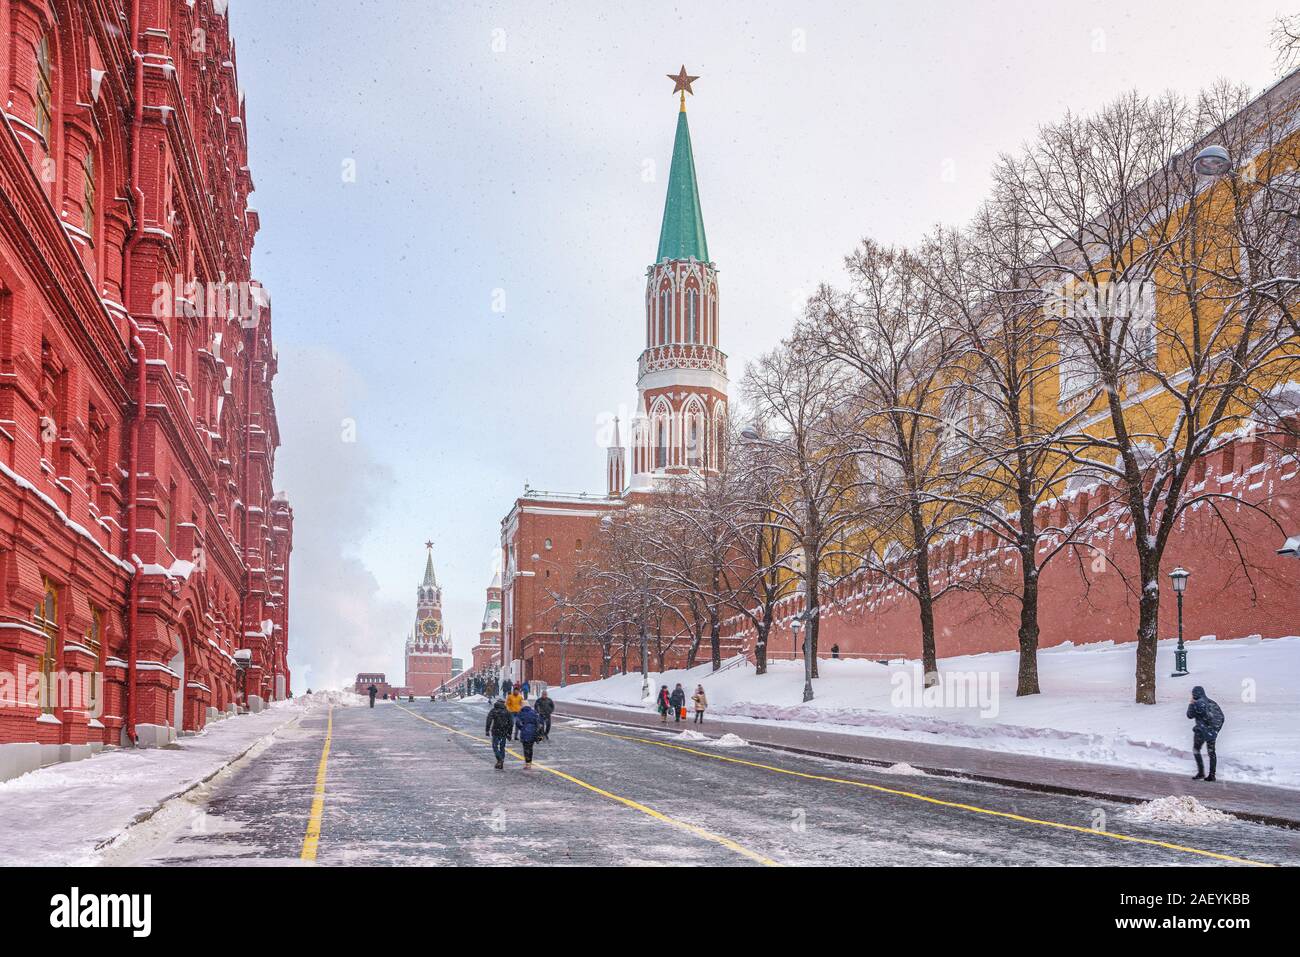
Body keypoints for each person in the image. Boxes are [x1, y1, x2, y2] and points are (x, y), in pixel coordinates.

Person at [1187, 685, 1225, 782]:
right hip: (1212, 732)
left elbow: (1189, 715)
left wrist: (1191, 704)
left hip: (1201, 731)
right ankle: (1212, 775)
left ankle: (1201, 772)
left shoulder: (1197, 703)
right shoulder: (1211, 703)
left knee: (1196, 749)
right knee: (1211, 752)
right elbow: (1221, 717)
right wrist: (1215, 729)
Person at [485, 698, 514, 770]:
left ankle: (499, 759)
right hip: (504, 731)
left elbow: (489, 720)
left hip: (496, 731)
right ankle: (501, 760)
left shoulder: (494, 710)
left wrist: (487, 730)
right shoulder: (507, 711)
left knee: (495, 746)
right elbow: (511, 723)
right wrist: (509, 733)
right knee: (502, 747)